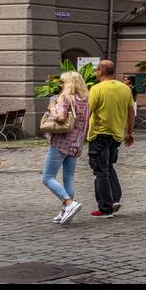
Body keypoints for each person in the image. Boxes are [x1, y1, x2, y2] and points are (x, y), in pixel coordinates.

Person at [86, 60, 135, 219]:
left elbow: (88, 112)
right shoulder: (125, 88)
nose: (95, 73)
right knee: (108, 166)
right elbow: (131, 112)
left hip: (99, 134)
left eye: (96, 70)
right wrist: (130, 132)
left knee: (100, 171)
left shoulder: (96, 89)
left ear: (100, 72)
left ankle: (105, 208)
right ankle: (115, 199)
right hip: (117, 136)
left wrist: (81, 133)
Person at [42, 70, 89, 225]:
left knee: (47, 178)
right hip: (76, 143)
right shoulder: (84, 99)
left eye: (62, 82)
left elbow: (61, 118)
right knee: (68, 177)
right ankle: (64, 212)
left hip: (61, 142)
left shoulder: (65, 98)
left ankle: (69, 203)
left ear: (68, 83)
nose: (61, 85)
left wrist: (51, 109)